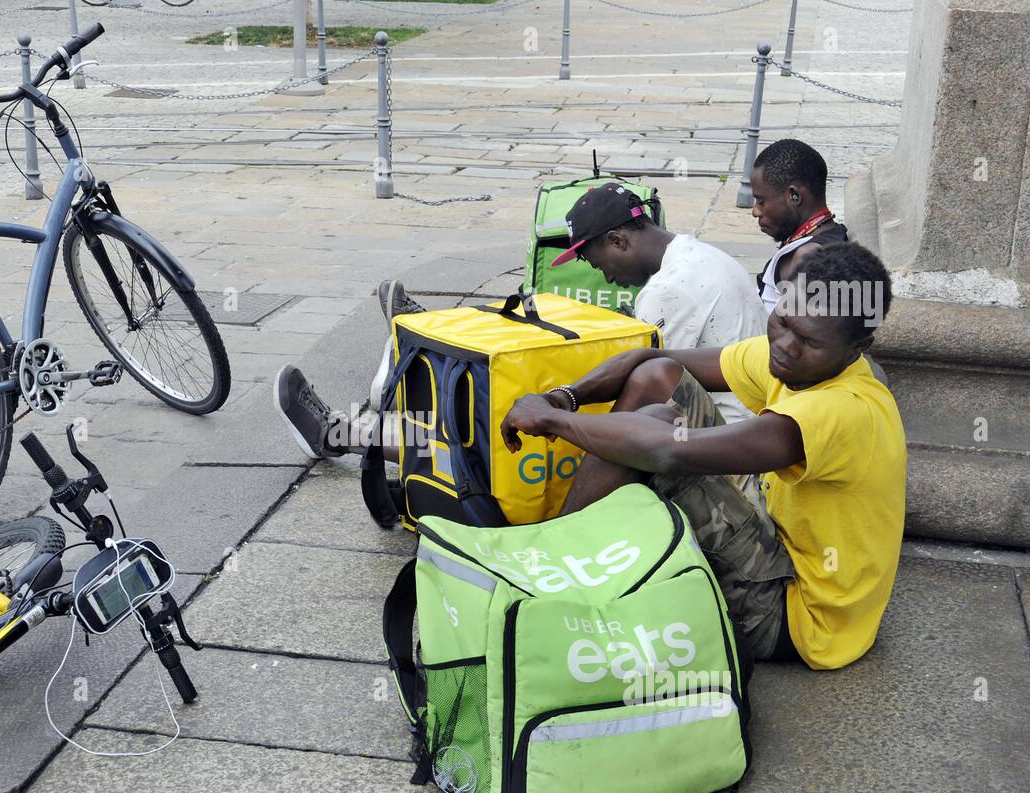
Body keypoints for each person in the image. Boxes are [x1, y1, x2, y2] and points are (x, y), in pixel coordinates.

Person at [499, 241, 904, 671]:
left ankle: (545, 583)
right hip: (775, 526)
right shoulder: (797, 360)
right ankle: (569, 554)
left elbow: (666, 451)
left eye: (807, 340)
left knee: (647, 434)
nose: (784, 345)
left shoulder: (842, 409)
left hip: (794, 615)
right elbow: (651, 358)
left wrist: (550, 421)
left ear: (858, 347)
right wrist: (565, 398)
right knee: (658, 380)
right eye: (782, 320)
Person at [275, 182, 768, 458]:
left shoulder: (669, 290)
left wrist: (552, 398)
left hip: (709, 446)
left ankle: (344, 433)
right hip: (713, 426)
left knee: (477, 433)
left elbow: (639, 383)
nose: (601, 272)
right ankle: (432, 350)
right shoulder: (698, 256)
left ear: (618, 239)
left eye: (595, 260)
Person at [749, 139, 850, 315]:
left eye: (761, 201)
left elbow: (793, 336)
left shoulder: (807, 258)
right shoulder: (827, 233)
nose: (755, 211)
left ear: (794, 196)